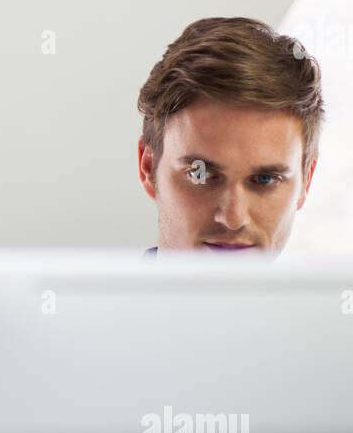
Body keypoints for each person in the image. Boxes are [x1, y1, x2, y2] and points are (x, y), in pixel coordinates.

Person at [136, 17, 325, 258]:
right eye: (200, 174)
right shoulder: (83, 296)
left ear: (306, 181)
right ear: (148, 168)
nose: (233, 218)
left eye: (266, 179)